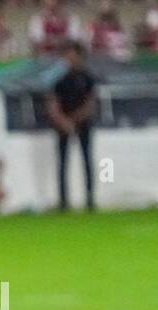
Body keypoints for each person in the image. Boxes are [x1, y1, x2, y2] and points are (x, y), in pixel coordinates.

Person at [48, 41, 97, 211]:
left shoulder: (87, 78)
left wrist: (76, 119)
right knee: (62, 162)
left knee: (87, 160)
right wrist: (64, 121)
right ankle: (63, 201)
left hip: (83, 123)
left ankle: (90, 199)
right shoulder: (60, 81)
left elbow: (91, 103)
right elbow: (53, 104)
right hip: (64, 125)